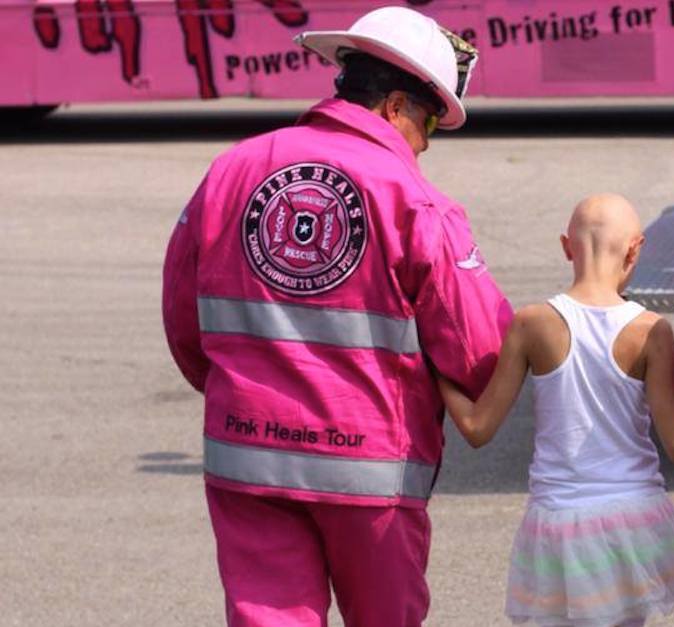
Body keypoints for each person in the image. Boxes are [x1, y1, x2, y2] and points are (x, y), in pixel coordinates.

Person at [161, 7, 510, 626]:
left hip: (249, 455)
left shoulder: (232, 169)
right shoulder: (418, 201)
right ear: (396, 106)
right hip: (372, 469)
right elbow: (479, 348)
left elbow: (184, 317)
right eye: (428, 123)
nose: (426, 143)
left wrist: (236, 391)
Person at [437, 193, 674, 626]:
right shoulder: (650, 330)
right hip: (635, 520)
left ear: (567, 246)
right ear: (635, 248)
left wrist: (433, 368)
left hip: (559, 524)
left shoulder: (531, 323)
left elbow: (476, 427)